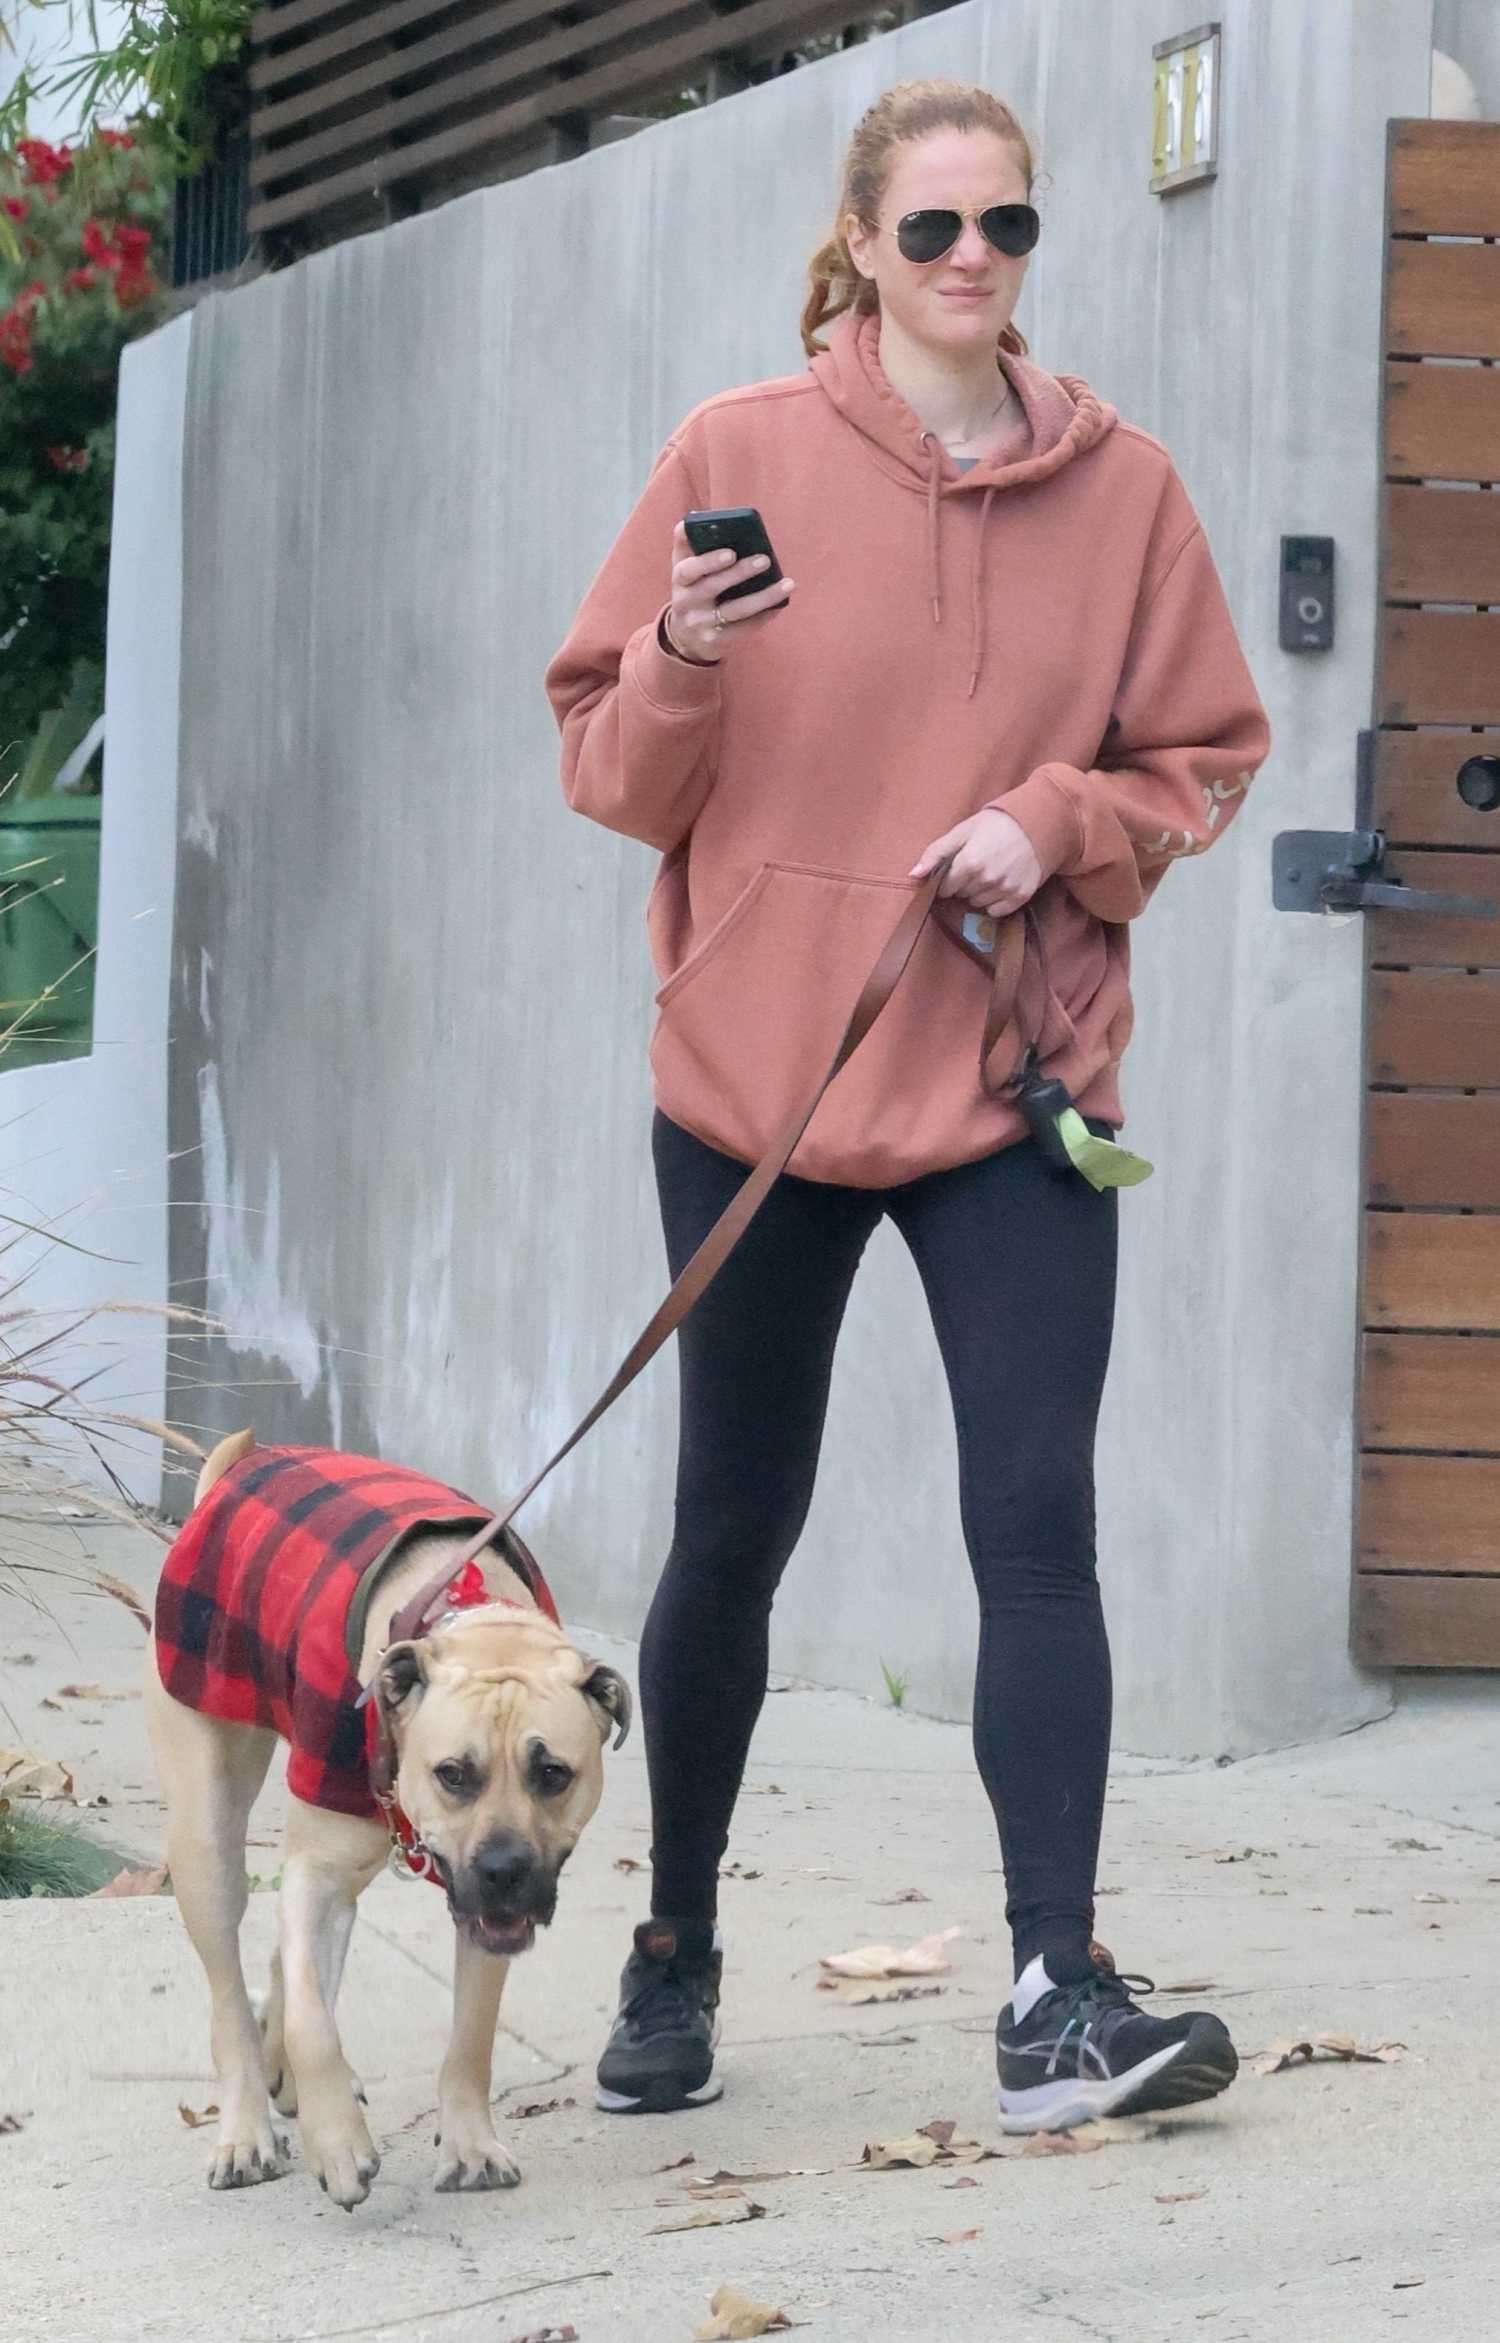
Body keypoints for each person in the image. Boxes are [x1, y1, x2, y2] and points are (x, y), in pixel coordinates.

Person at [545, 76, 1270, 2131]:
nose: (974, 263)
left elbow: (1205, 754)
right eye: (936, 228)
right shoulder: (738, 450)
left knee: (1036, 1522)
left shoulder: (1123, 489)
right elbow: (607, 768)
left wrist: (1057, 822)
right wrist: (679, 655)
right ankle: (676, 1935)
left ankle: (1057, 1982)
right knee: (734, 1530)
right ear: (863, 242)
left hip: (1011, 1075)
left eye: (1008, 229)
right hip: (761, 1081)